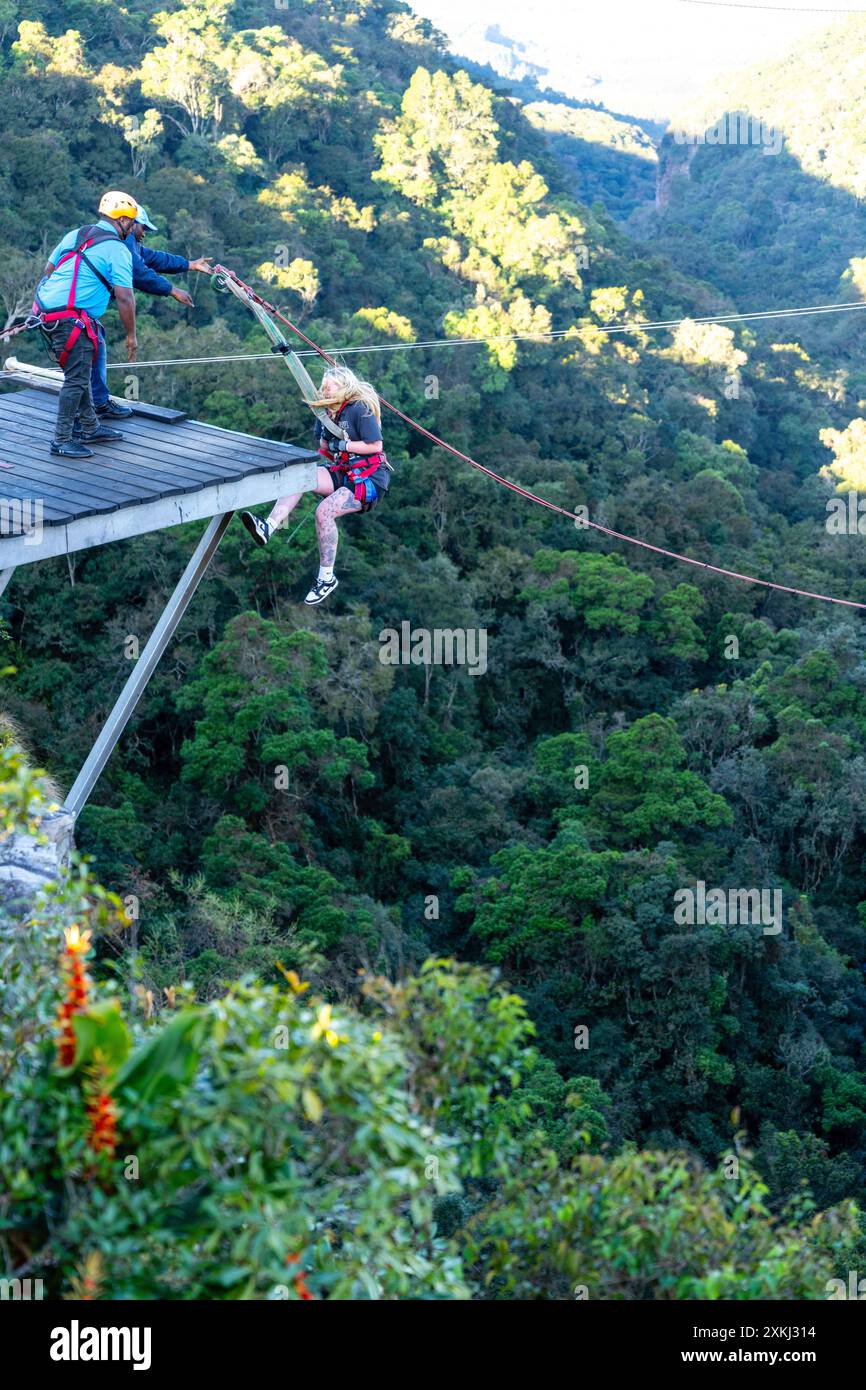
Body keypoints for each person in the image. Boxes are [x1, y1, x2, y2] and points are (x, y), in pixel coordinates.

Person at [240, 364, 391, 605]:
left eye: (328, 388)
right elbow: (323, 447)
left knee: (324, 513)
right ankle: (268, 526)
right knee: (301, 477)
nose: (323, 392)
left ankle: (326, 577)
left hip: (369, 478)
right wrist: (325, 430)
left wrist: (343, 445)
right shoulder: (324, 414)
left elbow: (375, 446)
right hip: (345, 472)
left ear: (343, 388)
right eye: (322, 388)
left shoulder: (358, 410)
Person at [35, 191, 138, 459]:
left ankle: (90, 427)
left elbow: (49, 270)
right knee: (76, 379)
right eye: (132, 222)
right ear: (124, 220)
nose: (132, 227)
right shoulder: (117, 248)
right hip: (71, 319)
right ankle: (61, 439)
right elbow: (125, 297)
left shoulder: (76, 234)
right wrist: (131, 336)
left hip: (48, 312)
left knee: (78, 373)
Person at [89, 203, 214, 420]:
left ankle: (98, 403)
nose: (144, 233)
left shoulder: (131, 244)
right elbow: (137, 273)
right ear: (129, 223)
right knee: (85, 361)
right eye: (143, 227)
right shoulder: (122, 243)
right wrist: (172, 290)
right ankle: (83, 420)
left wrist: (189, 264)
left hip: (84, 312)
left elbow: (154, 258)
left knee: (95, 350)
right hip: (75, 311)